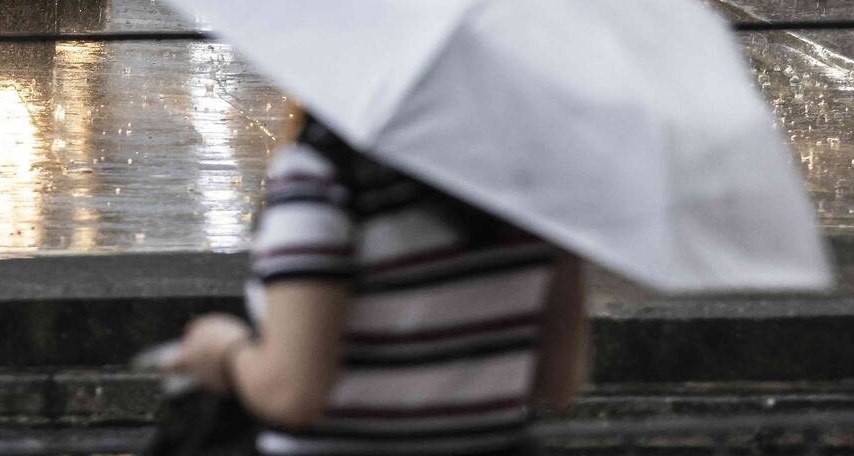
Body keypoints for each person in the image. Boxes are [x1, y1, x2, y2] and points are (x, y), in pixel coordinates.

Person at [166, 108, 587, 452]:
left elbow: (292, 392)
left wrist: (223, 350)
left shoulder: (323, 174)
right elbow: (557, 382)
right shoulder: (538, 179)